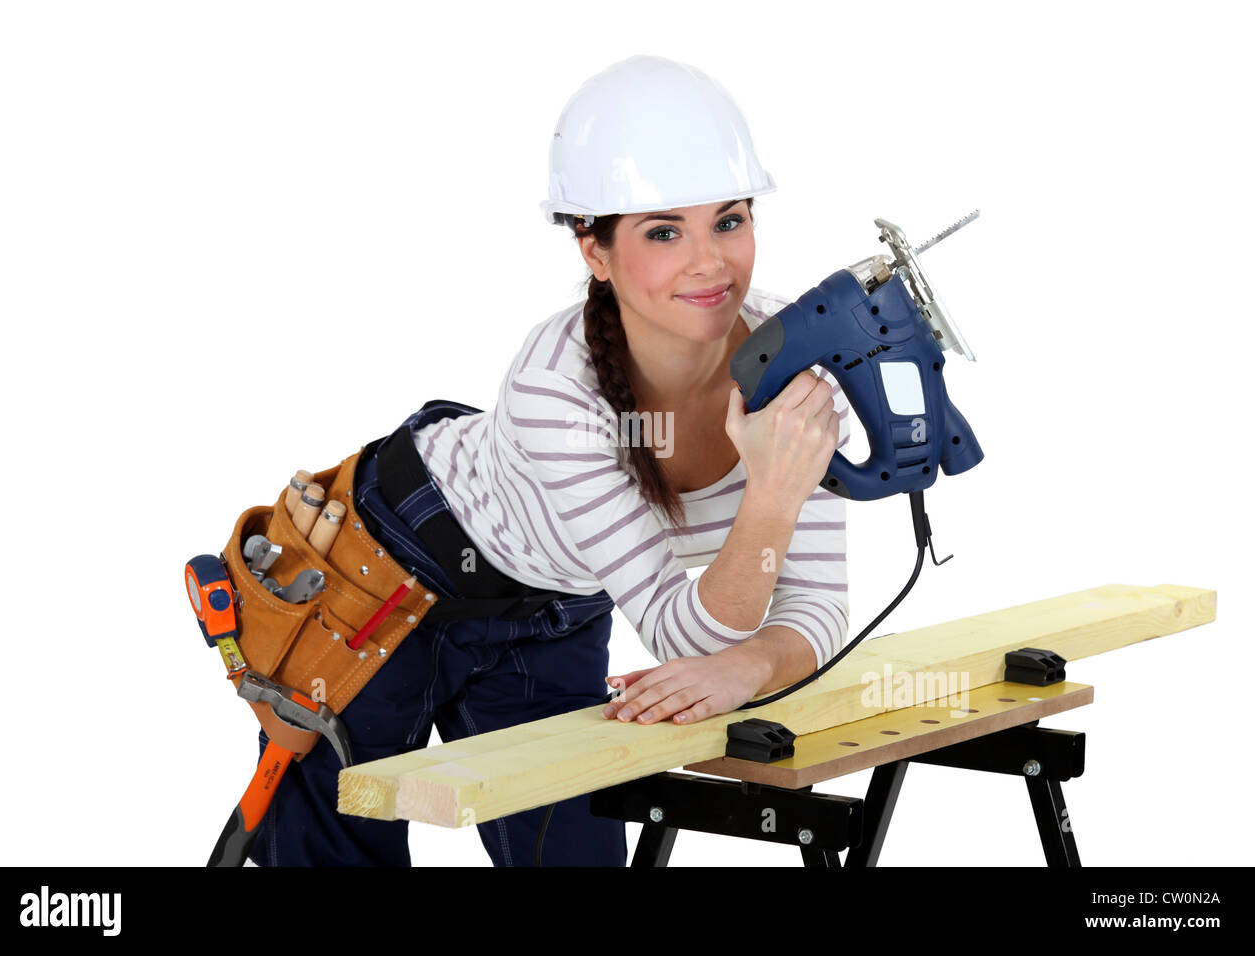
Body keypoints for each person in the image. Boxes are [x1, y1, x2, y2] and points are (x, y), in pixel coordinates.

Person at [248, 54, 850, 868]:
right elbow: (682, 632)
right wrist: (772, 499)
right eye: (664, 231)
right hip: (390, 572)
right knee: (335, 848)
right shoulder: (554, 391)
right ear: (593, 250)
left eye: (730, 220)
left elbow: (813, 605)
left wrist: (749, 666)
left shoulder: (798, 365)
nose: (710, 261)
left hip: (553, 605)